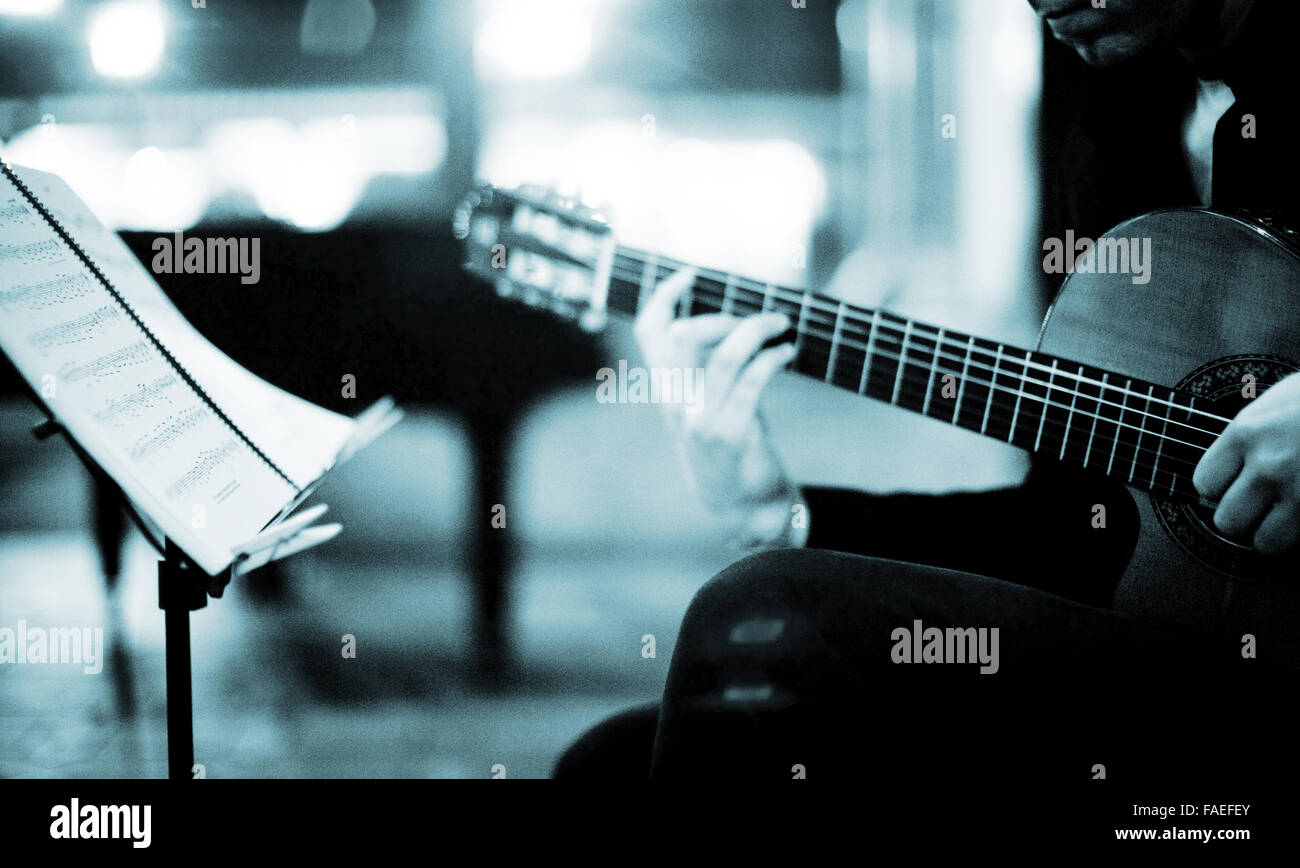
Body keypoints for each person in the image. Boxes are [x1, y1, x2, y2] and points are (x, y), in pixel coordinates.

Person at [555, 0, 1300, 782]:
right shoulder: (1109, 129)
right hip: (1179, 668)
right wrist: (782, 512)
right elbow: (1077, 533)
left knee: (760, 617)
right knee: (611, 763)